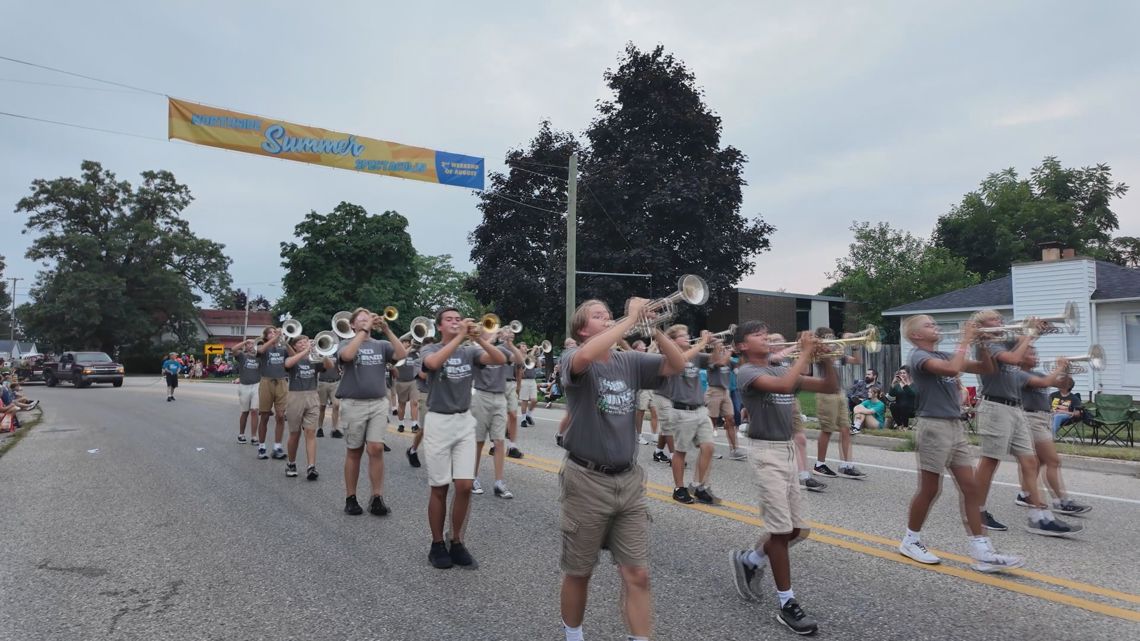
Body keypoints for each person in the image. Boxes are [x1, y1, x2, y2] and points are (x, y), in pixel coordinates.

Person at [558, 297, 685, 641]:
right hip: (586, 480)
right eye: (598, 316)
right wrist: (629, 320)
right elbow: (585, 357)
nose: (607, 317)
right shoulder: (572, 356)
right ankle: (573, 635)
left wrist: (655, 329)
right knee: (579, 572)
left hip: (628, 481)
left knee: (638, 574)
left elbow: (676, 366)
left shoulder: (628, 360)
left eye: (608, 314)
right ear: (583, 329)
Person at [895, 314, 1026, 573]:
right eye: (929, 324)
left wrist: (985, 344)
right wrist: (966, 339)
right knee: (931, 489)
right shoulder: (918, 357)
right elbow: (953, 369)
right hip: (933, 426)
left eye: (935, 322)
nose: (935, 325)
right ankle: (910, 540)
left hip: (954, 425)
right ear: (916, 335)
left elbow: (985, 369)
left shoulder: (944, 354)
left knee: (971, 489)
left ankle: (982, 551)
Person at [728, 324, 836, 635]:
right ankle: (787, 604)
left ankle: (750, 559)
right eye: (758, 335)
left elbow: (829, 386)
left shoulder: (780, 369)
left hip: (788, 449)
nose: (766, 337)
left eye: (767, 333)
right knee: (780, 530)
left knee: (799, 530)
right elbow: (786, 385)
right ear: (741, 347)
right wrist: (804, 353)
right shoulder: (747, 372)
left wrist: (824, 356)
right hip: (766, 453)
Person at [971, 310, 1079, 536]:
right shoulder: (986, 344)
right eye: (993, 320)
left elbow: (1023, 344)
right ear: (981, 326)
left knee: (1030, 461)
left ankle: (1039, 516)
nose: (999, 322)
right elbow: (1014, 358)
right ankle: (977, 510)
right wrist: (1029, 334)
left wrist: (1037, 329)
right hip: (995, 407)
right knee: (990, 462)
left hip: (1015, 408)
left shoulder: (1004, 341)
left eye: (1000, 319)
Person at [420, 308, 506, 569]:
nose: (456, 322)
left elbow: (500, 359)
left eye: (459, 319)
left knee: (465, 486)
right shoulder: (430, 349)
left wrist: (478, 338)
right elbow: (432, 365)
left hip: (464, 421)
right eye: (450, 320)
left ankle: (456, 540)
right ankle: (437, 544)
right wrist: (458, 339)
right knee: (439, 486)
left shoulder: (469, 351)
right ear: (440, 326)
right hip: (438, 421)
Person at [337, 308, 407, 517]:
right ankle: (351, 498)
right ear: (352, 325)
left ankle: (377, 497)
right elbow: (348, 356)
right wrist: (362, 333)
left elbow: (402, 355)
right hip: (353, 404)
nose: (366, 321)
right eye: (361, 319)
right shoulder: (345, 343)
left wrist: (387, 330)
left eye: (368, 318)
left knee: (376, 448)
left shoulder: (381, 345)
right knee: (354, 451)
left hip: (378, 403)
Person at [1016, 352, 1091, 516]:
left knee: (1039, 462)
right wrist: (1059, 367)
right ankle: (1061, 501)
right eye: (1031, 352)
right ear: (1020, 357)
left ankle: (1024, 494)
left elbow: (1063, 384)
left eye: (1036, 352)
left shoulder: (1038, 373)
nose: (1035, 354)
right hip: (1032, 418)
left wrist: (1066, 370)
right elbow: (1045, 382)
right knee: (1053, 460)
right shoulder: (1020, 374)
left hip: (1043, 418)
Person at [659, 324, 722, 505]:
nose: (687, 337)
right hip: (680, 411)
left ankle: (698, 486)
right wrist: (702, 342)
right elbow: (680, 360)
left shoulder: (696, 355)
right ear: (671, 341)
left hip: (700, 409)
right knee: (681, 452)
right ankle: (679, 488)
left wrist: (715, 345)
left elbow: (716, 362)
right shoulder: (670, 357)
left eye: (687, 334)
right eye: (681, 336)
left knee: (708, 447)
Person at [767, 333, 826, 493]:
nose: (775, 343)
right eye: (772, 340)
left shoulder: (790, 356)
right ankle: (781, 474)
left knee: (800, 438)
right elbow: (776, 359)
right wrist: (800, 346)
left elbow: (804, 371)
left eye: (779, 340)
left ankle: (804, 476)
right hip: (774, 402)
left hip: (792, 400)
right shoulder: (767, 357)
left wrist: (804, 354)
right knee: (782, 442)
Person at [470, 328, 526, 498]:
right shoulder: (475, 349)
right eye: (489, 331)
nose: (493, 332)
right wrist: (492, 337)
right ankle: (473, 477)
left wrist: (510, 344)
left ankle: (499, 482)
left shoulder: (502, 349)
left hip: (499, 397)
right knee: (478, 441)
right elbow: (483, 351)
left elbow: (519, 361)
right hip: (481, 396)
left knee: (499, 441)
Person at [812, 328, 866, 479]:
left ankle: (846, 465)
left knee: (845, 429)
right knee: (827, 430)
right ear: (819, 339)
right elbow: (825, 355)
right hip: (825, 394)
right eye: (827, 337)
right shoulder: (819, 353)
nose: (831, 339)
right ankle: (819, 464)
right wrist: (840, 343)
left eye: (832, 336)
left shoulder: (838, 354)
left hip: (840, 393)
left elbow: (857, 361)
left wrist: (854, 345)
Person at [284, 335, 332, 480]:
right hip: (295, 397)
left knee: (310, 433)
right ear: (295, 346)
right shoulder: (291, 358)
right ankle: (291, 463)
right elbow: (288, 364)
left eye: (306, 341)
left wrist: (322, 352)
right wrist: (305, 352)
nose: (304, 344)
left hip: (312, 396)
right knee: (294, 433)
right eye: (300, 342)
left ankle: (311, 466)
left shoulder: (314, 359)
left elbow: (329, 366)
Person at [255, 328, 291, 461]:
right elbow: (260, 351)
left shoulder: (282, 348)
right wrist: (274, 339)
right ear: (265, 336)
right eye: (270, 332)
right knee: (264, 416)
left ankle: (277, 447)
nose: (274, 334)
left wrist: (286, 342)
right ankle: (262, 447)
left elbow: (292, 356)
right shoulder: (262, 346)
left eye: (275, 332)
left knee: (281, 416)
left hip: (281, 381)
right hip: (266, 381)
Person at [707, 341, 745, 461]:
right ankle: (708, 449)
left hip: (726, 391)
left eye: (723, 347)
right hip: (714, 391)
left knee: (731, 420)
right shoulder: (710, 360)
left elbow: (740, 368)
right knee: (711, 422)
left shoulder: (730, 361)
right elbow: (721, 362)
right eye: (720, 347)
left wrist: (742, 353)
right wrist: (730, 351)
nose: (723, 348)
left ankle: (734, 450)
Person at [406, 336, 433, 468]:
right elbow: (423, 376)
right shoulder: (418, 361)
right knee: (425, 428)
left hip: (439, 395)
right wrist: (433, 363)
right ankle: (413, 450)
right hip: (425, 395)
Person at [232, 340, 261, 445]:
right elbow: (233, 349)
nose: (252, 345)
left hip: (257, 385)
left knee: (254, 411)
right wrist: (245, 341)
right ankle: (241, 434)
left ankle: (254, 436)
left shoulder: (260, 356)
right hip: (244, 386)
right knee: (245, 412)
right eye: (250, 344)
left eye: (254, 344)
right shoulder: (242, 356)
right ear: (246, 346)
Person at [392, 339, 421, 433]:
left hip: (413, 381)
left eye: (409, 342)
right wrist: (411, 346)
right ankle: (401, 424)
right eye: (406, 342)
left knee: (415, 403)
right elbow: (401, 356)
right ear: (401, 343)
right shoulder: (398, 353)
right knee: (401, 405)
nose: (409, 344)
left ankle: (414, 425)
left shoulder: (415, 353)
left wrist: (418, 347)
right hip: (401, 382)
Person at [317, 356, 342, 438]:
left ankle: (334, 429)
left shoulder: (336, 352)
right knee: (322, 407)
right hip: (322, 382)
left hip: (335, 382)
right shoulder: (320, 352)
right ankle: (319, 428)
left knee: (336, 405)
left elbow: (341, 365)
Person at [518, 344, 540, 426]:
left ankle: (528, 415)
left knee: (534, 400)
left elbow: (539, 366)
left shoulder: (530, 356)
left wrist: (537, 356)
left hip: (532, 380)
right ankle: (523, 420)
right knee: (525, 401)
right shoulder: (519, 357)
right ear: (519, 349)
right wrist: (533, 350)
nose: (525, 347)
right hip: (524, 380)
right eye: (523, 346)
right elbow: (527, 360)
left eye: (525, 346)